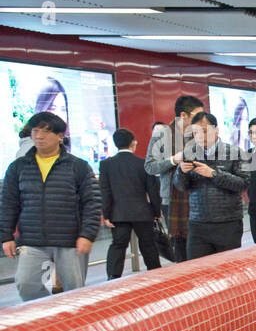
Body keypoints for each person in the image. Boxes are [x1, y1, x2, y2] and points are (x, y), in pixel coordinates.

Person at [0, 111, 101, 300]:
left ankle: (73, 324)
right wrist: (6, 236)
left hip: (70, 240)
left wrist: (87, 235)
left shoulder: (78, 167)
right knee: (25, 283)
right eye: (35, 131)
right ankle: (47, 317)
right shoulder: (18, 167)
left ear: (60, 137)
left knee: (74, 291)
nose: (39, 136)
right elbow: (8, 203)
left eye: (46, 132)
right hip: (32, 239)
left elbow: (92, 203)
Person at [180, 112, 247, 258]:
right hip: (197, 223)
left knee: (227, 270)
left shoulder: (235, 152)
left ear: (216, 130)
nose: (200, 135)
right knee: (197, 272)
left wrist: (214, 174)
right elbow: (181, 187)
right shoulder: (189, 153)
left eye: (204, 131)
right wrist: (181, 173)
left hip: (227, 223)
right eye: (196, 132)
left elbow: (243, 183)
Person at [145, 93, 204, 262]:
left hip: (199, 195)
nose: (200, 119)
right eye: (196, 115)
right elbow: (149, 166)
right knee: (181, 247)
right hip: (172, 199)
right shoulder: (162, 135)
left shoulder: (200, 134)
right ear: (183, 115)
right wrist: (173, 160)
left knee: (199, 245)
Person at [98, 128, 161, 278]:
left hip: (118, 213)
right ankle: (156, 275)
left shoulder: (106, 165)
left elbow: (105, 191)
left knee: (118, 245)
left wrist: (106, 214)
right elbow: (152, 191)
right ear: (132, 143)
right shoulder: (142, 164)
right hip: (143, 213)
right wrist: (156, 212)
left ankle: (112, 278)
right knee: (148, 245)